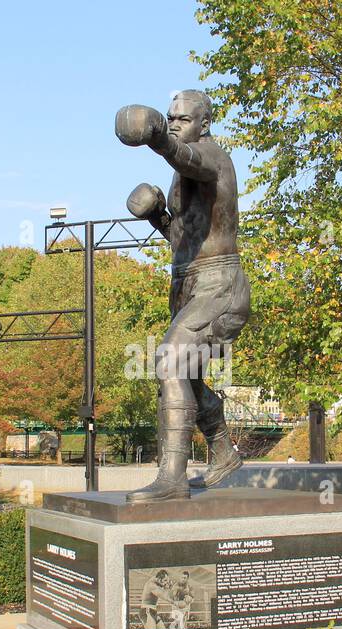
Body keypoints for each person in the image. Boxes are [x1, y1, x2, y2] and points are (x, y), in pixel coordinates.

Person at [115, 90, 250, 502]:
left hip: (219, 285)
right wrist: (158, 215)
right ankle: (224, 452)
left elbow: (186, 158)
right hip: (188, 284)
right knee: (184, 376)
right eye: (170, 118)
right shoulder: (181, 176)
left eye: (182, 119)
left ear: (204, 125)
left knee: (170, 360)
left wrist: (158, 137)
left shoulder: (213, 158)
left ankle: (172, 478)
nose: (174, 123)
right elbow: (183, 240)